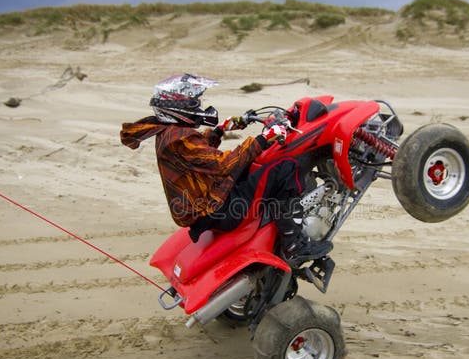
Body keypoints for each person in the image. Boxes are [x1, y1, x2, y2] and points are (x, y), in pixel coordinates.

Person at [120, 73, 332, 267]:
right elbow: (224, 164)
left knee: (252, 164)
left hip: (207, 207)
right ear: (179, 106)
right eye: (195, 102)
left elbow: (199, 157)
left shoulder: (170, 133)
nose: (199, 105)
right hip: (218, 211)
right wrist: (263, 138)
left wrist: (220, 131)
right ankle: (293, 246)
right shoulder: (179, 138)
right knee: (285, 168)